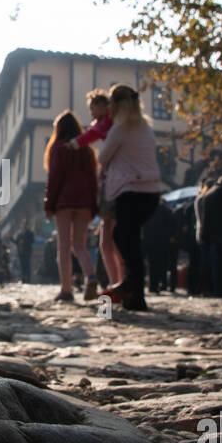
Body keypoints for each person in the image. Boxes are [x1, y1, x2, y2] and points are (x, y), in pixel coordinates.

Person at [97, 84, 165, 311]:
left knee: (124, 237)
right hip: (151, 191)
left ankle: (133, 287)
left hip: (130, 191)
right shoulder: (145, 128)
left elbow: (103, 157)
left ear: (115, 105)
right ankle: (134, 290)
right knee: (130, 238)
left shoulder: (120, 129)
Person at [69, 89, 123, 289]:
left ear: (102, 106)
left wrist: (74, 143)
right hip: (116, 179)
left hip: (114, 182)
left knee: (110, 239)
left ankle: (117, 281)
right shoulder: (115, 122)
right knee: (110, 239)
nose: (91, 114)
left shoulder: (107, 123)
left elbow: (92, 134)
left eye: (92, 109)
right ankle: (116, 281)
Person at [44, 110, 99, 302]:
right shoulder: (86, 150)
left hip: (64, 202)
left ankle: (66, 290)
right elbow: (94, 179)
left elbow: (54, 178)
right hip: (84, 201)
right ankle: (91, 275)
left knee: (64, 246)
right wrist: (94, 205)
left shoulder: (58, 148)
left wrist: (49, 204)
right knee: (80, 245)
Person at [142, 198, 174, 295]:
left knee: (145, 265)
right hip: (159, 242)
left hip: (146, 240)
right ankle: (154, 286)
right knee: (156, 265)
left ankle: (149, 286)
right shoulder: (164, 210)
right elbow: (171, 225)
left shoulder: (144, 209)